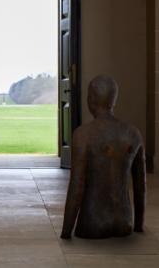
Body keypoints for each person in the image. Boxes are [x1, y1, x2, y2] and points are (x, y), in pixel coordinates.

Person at [60, 75, 146, 239]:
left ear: (91, 99)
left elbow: (76, 186)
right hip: (124, 223)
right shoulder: (133, 133)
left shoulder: (83, 135)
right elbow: (140, 185)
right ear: (113, 100)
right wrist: (139, 225)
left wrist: (66, 231)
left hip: (91, 224)